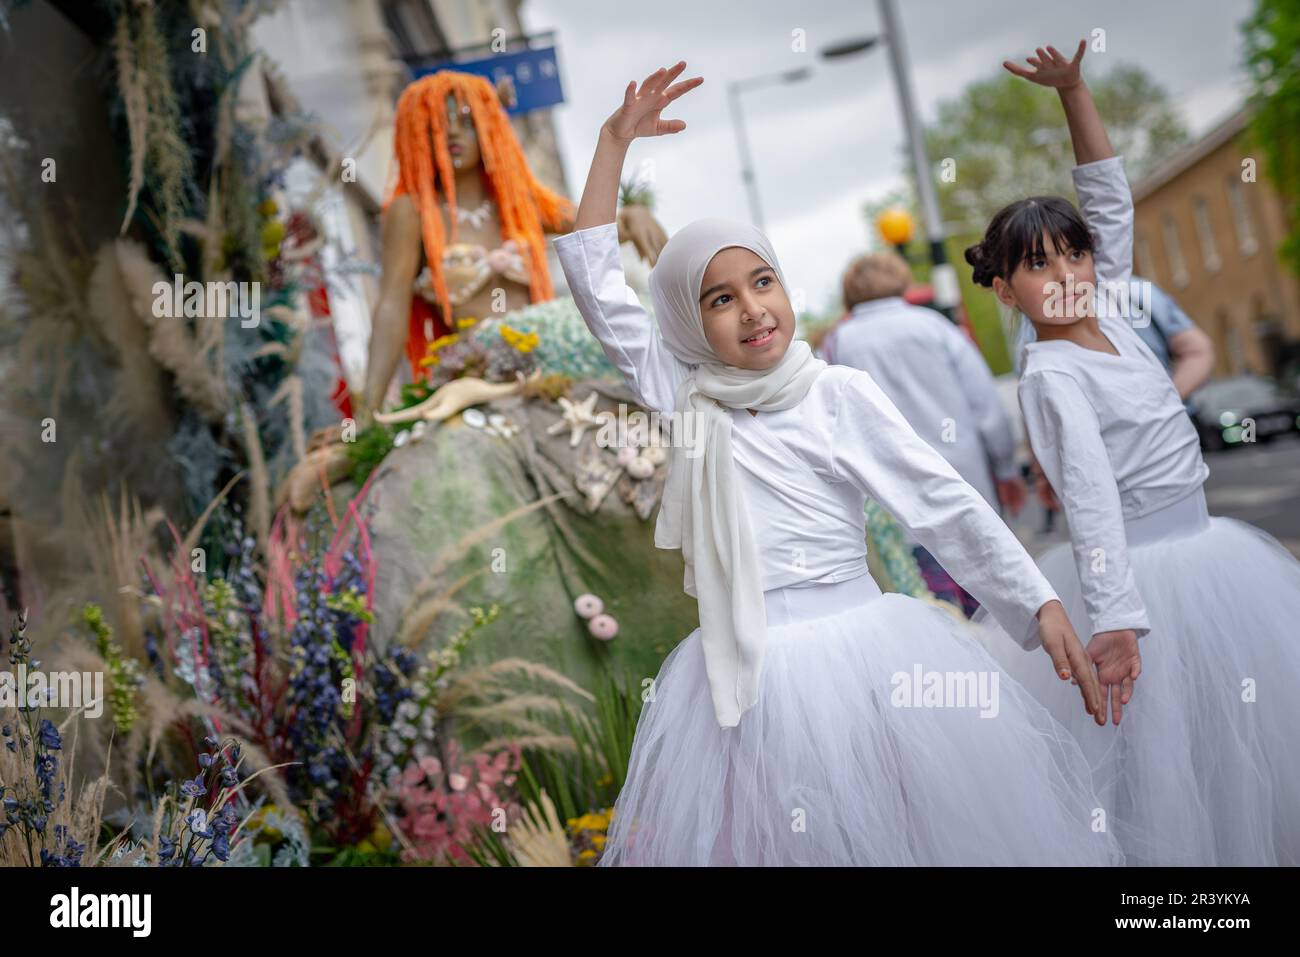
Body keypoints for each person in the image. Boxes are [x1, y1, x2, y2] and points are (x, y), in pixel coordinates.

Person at [554, 60, 1123, 866]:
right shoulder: (683, 395)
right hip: (751, 684)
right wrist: (612, 146)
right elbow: (595, 281)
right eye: (720, 298)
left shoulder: (836, 392)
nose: (753, 307)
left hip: (872, 655)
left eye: (763, 281)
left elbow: (942, 502)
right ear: (687, 322)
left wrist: (1038, 603)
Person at [967, 41, 1300, 866]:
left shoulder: (1112, 310)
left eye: (1074, 253)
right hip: (1143, 578)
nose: (1067, 272)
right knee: (1168, 762)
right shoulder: (1051, 372)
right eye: (1038, 267)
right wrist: (1114, 614)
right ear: (1007, 293)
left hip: (1210, 550)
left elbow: (1108, 201)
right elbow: (1088, 495)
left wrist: (1075, 92)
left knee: (1245, 736)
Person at [820, 251, 1027, 616]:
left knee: (943, 618)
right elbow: (986, 405)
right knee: (998, 609)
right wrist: (1007, 468)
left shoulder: (837, 345)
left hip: (898, 504)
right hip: (966, 488)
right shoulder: (935, 327)